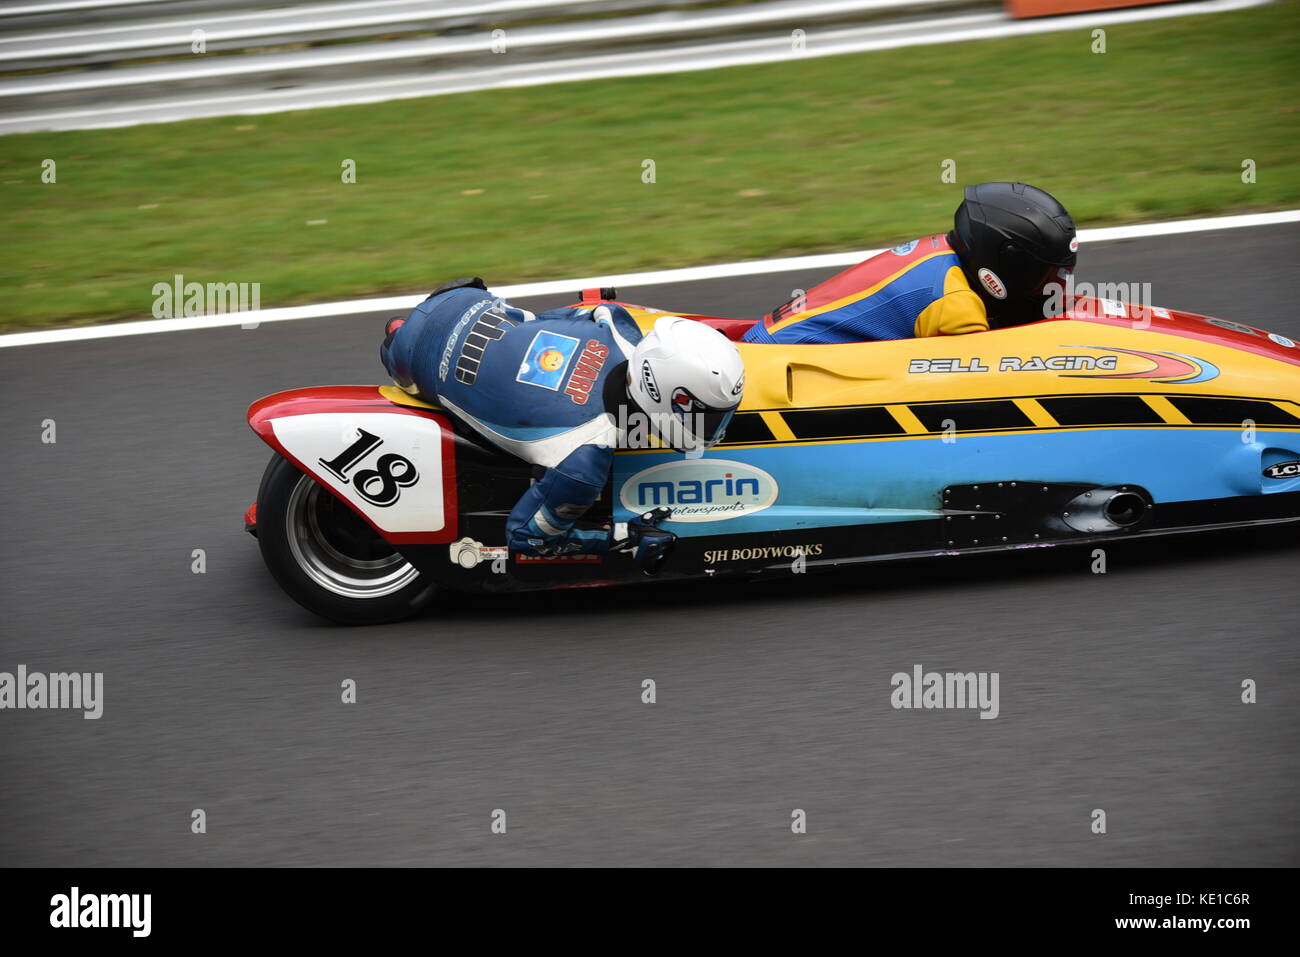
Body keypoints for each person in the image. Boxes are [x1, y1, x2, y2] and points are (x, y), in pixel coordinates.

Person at [380, 278, 746, 564]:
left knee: (528, 321)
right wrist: (625, 536)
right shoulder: (582, 461)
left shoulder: (616, 326)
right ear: (663, 393)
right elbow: (527, 538)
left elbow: (579, 312)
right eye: (704, 412)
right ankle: (404, 334)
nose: (710, 423)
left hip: (462, 301)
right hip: (410, 355)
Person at [743, 182, 1078, 344]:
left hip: (772, 343)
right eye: (1047, 275)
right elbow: (986, 376)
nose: (1054, 287)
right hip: (781, 367)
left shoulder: (941, 254)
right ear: (1005, 261)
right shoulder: (956, 304)